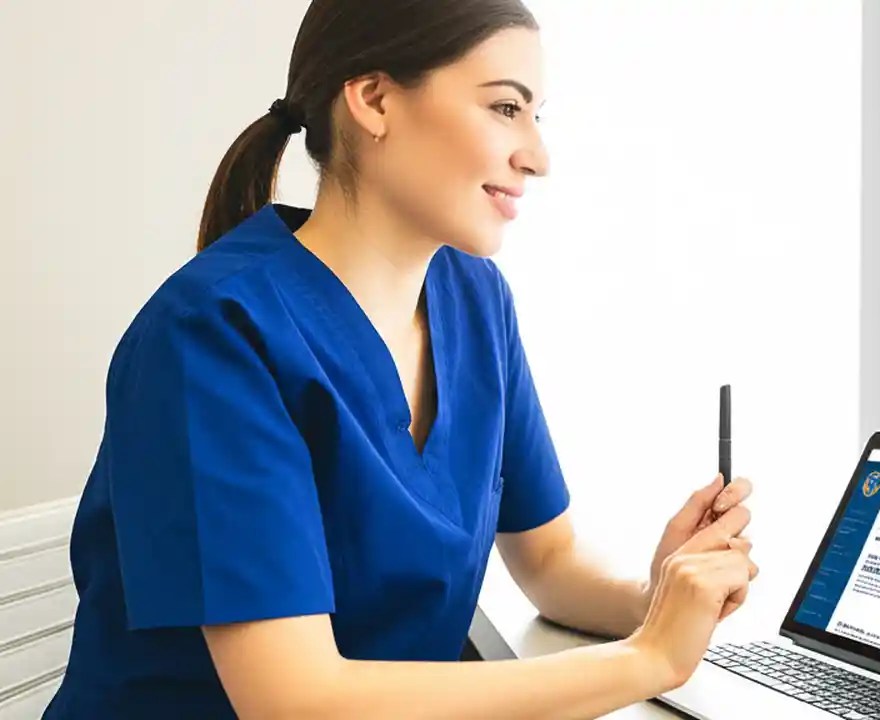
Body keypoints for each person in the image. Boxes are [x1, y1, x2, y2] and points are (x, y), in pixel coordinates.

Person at [42, 1, 758, 718]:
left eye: (538, 115)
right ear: (375, 99)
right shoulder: (213, 333)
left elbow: (548, 562)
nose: (537, 155)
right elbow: (297, 701)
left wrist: (658, 599)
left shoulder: (476, 300)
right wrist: (649, 659)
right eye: (505, 108)